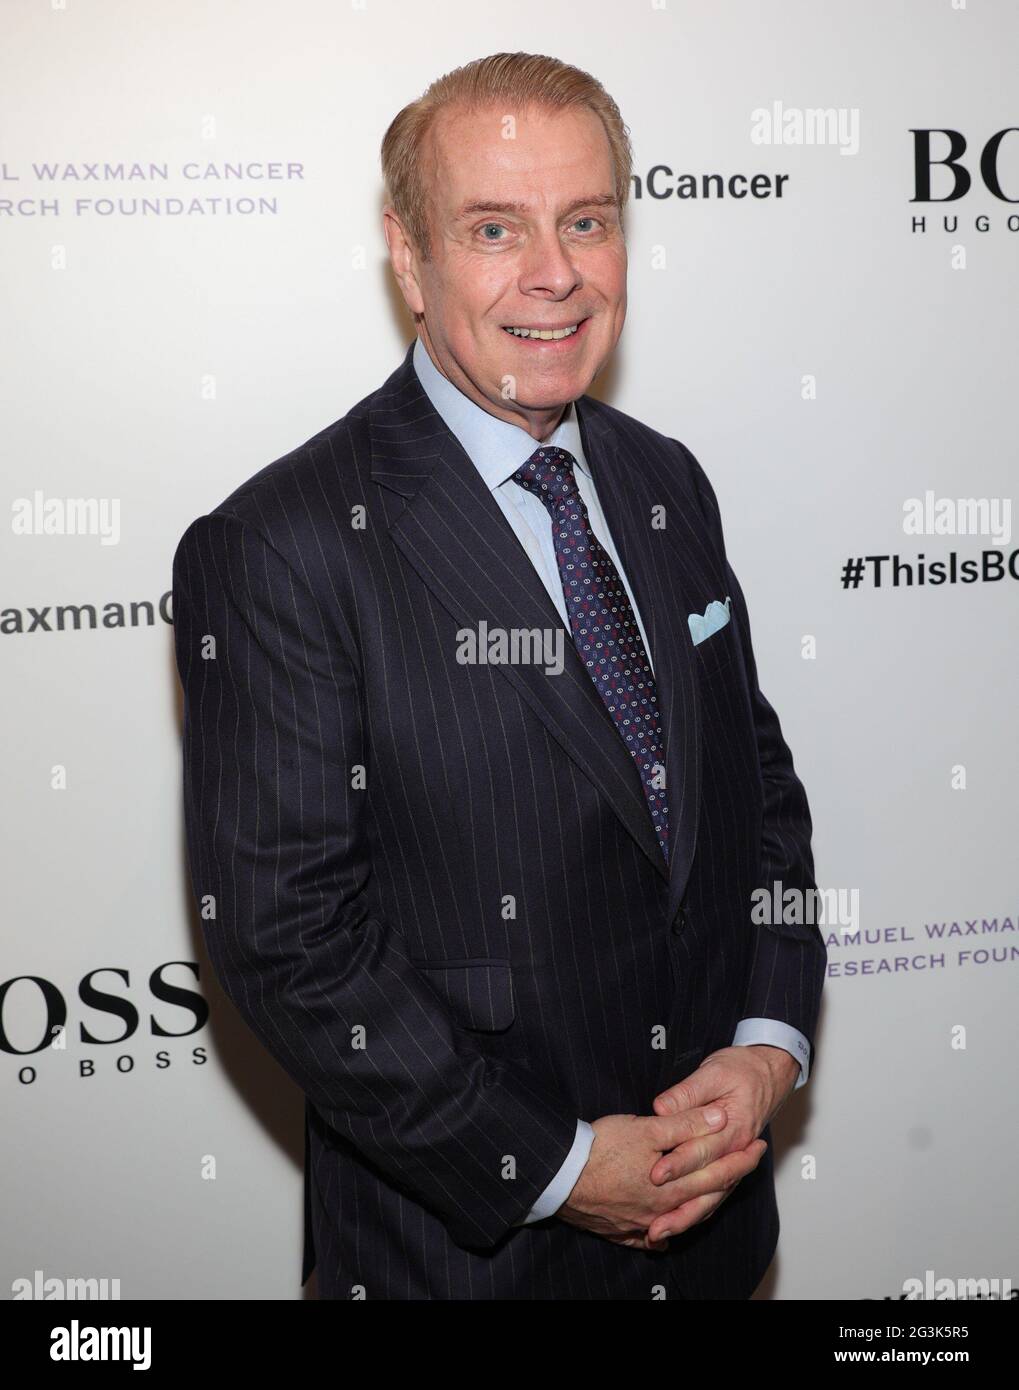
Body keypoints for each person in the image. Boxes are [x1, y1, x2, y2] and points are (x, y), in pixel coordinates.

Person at [172, 51, 826, 1300]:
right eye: (493, 228)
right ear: (408, 260)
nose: (555, 272)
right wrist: (561, 1164)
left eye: (587, 220)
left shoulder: (661, 480)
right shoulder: (283, 547)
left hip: (718, 1235)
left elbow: (757, 787)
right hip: (469, 1259)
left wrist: (765, 1044)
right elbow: (288, 940)